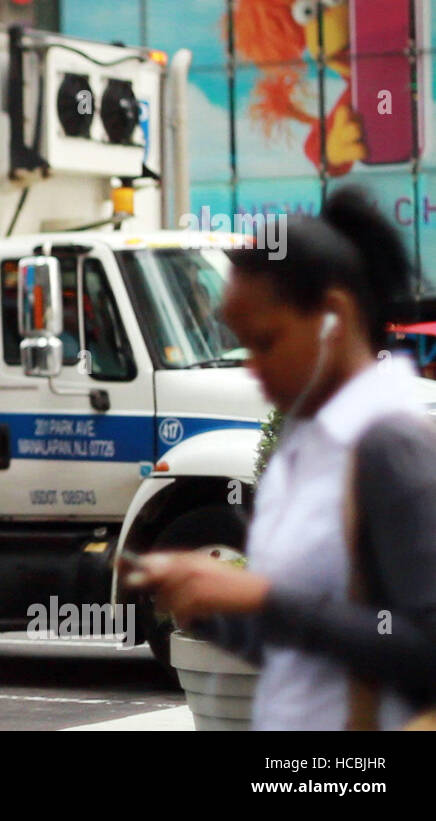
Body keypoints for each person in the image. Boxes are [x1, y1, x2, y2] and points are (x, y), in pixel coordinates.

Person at [127, 186, 436, 730]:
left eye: (265, 341)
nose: (252, 367)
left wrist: (264, 600)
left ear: (332, 321)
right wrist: (211, 607)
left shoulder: (389, 445)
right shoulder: (300, 444)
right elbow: (297, 654)